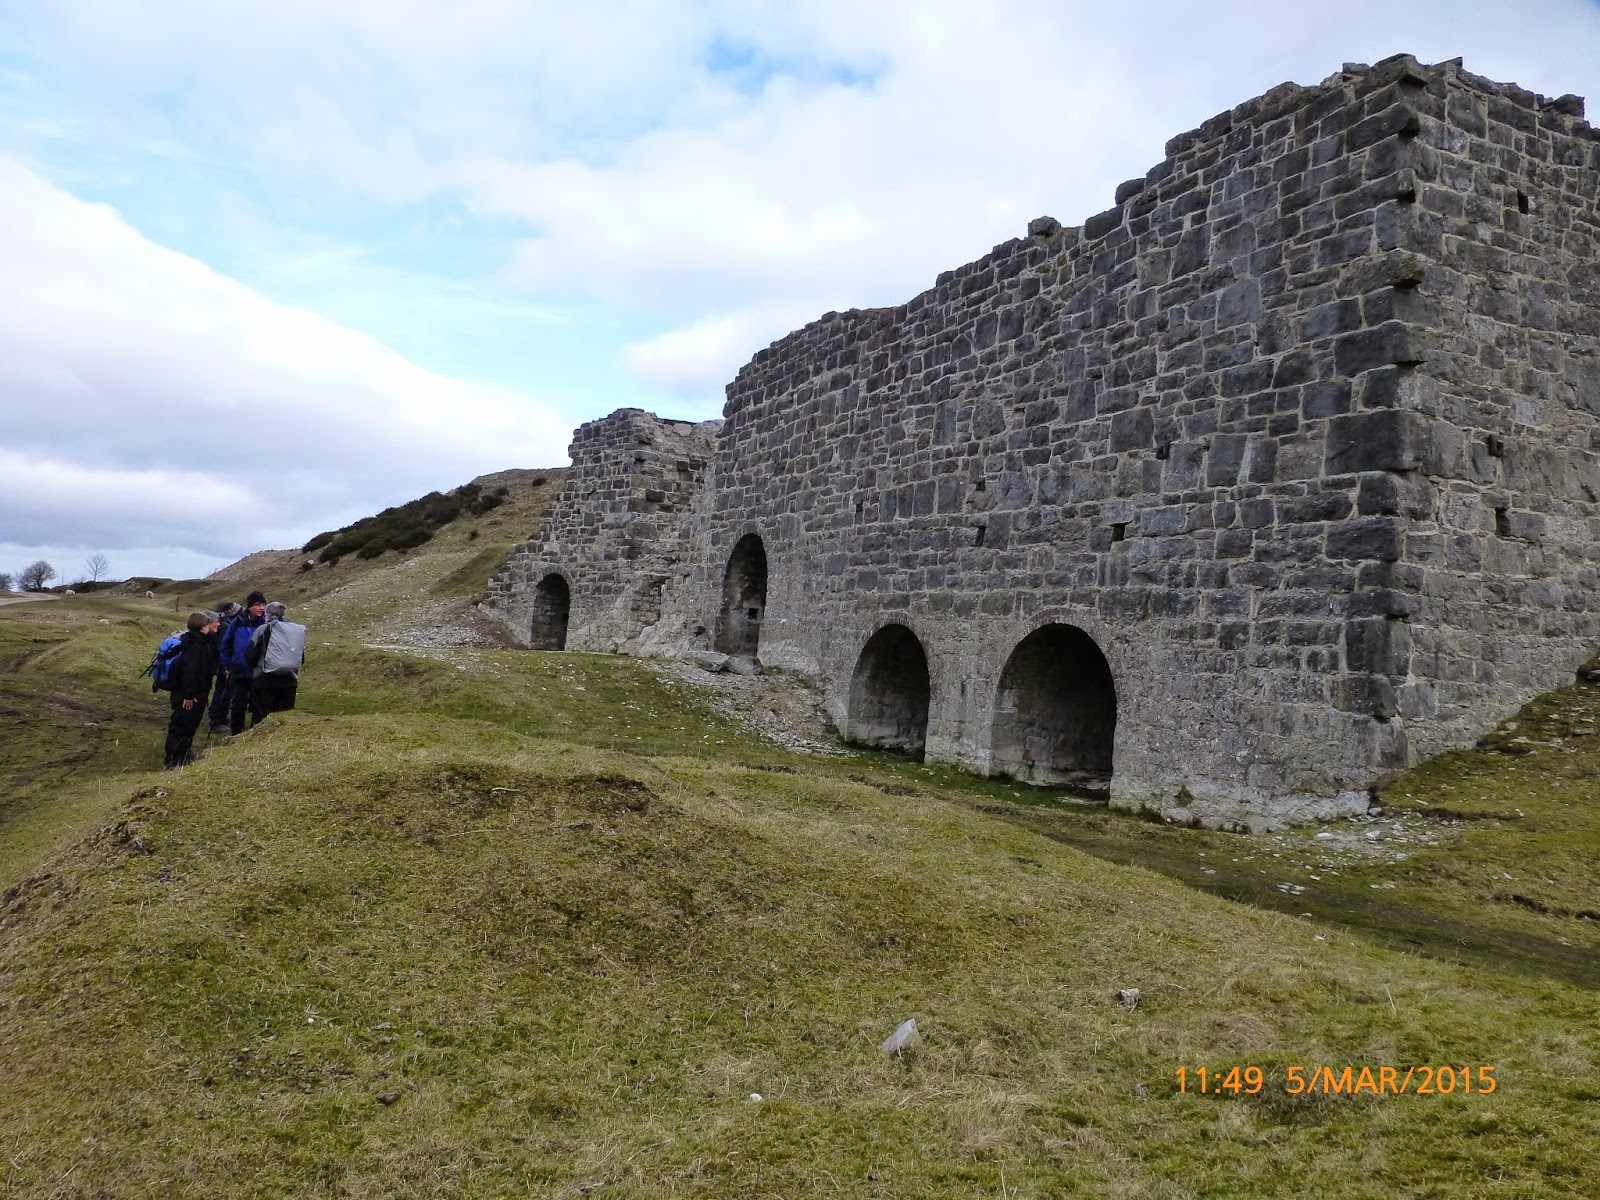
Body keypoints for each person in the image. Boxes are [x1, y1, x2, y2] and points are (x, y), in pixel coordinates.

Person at [164, 610, 220, 768]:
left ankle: (184, 754)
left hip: (194, 694)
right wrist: (189, 695)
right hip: (187, 695)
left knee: (189, 725)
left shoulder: (198, 642)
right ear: (202, 627)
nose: (210, 627)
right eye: (208, 624)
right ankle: (173, 760)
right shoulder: (194, 646)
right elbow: (191, 672)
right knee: (181, 725)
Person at [246, 600, 307, 724]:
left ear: (267, 615)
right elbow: (301, 658)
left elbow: (251, 655)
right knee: (285, 718)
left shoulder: (263, 629)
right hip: (289, 680)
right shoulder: (295, 631)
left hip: (265, 680)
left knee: (262, 719)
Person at [218, 591, 267, 734]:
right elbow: (226, 645)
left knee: (257, 704)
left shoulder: (266, 624)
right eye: (258, 605)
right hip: (238, 670)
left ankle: (254, 733)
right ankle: (236, 734)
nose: (262, 608)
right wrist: (226, 666)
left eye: (263, 604)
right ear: (250, 606)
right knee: (238, 704)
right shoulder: (237, 622)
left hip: (258, 671)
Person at [206, 600, 241, 732]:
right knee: (224, 692)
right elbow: (223, 648)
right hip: (224, 665)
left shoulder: (224, 624)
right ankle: (217, 719)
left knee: (223, 691)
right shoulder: (225, 627)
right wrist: (226, 667)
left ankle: (220, 717)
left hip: (221, 664)